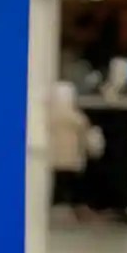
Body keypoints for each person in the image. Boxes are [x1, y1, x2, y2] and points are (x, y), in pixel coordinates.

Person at [48, 81, 104, 221]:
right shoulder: (78, 118)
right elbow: (89, 140)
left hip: (52, 161)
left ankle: (57, 209)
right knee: (70, 186)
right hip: (73, 162)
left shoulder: (49, 117)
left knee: (57, 186)